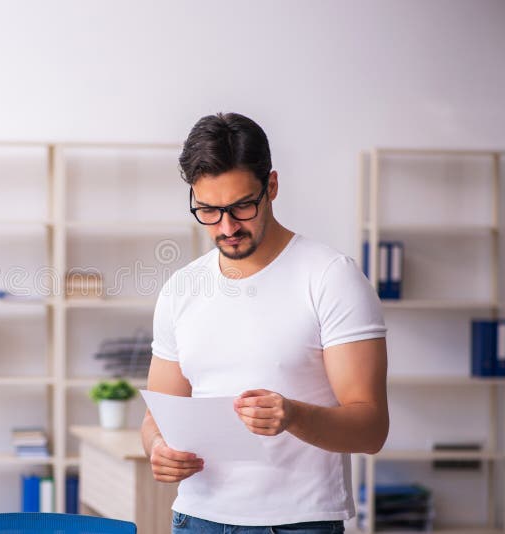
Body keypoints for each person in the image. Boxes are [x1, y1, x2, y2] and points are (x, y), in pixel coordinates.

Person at [141, 112, 389, 534]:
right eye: (208, 211)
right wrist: (158, 449)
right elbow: (158, 416)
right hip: (196, 519)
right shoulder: (182, 288)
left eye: (241, 206)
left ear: (271, 187)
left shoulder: (330, 278)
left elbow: (371, 429)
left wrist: (292, 416)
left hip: (297, 524)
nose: (227, 226)